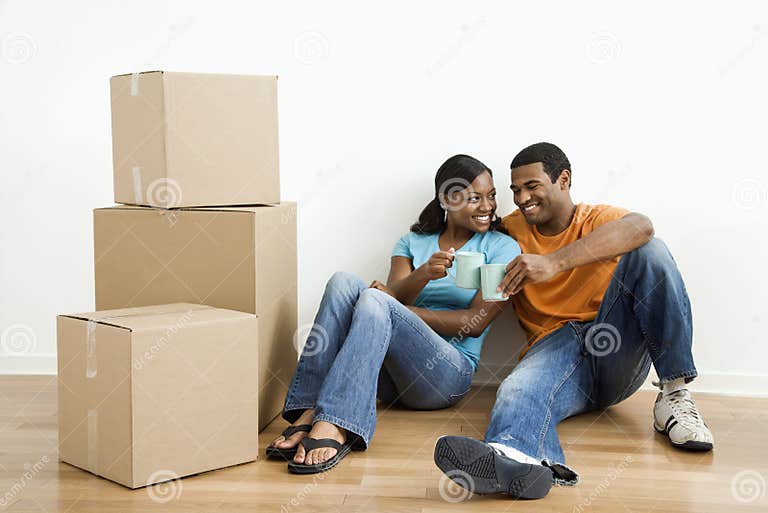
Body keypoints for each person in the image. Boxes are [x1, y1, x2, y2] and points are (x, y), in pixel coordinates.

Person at [434, 142, 713, 499]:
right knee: (516, 389)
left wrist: (555, 262)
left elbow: (642, 226)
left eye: (532, 186)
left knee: (651, 251)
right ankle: (519, 457)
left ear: (563, 179)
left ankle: (675, 394)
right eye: (515, 190)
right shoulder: (510, 230)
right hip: (556, 350)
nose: (521, 197)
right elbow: (468, 227)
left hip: (614, 345)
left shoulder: (596, 219)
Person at [266, 154, 522, 474]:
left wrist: (398, 309)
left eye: (492, 195)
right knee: (343, 282)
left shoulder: (503, 248)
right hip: (388, 379)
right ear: (446, 200)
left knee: (375, 300)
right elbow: (391, 298)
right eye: (475, 198)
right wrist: (423, 274)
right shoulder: (413, 241)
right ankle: (311, 408)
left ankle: (336, 421)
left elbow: (475, 323)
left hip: (446, 374)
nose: (488, 206)